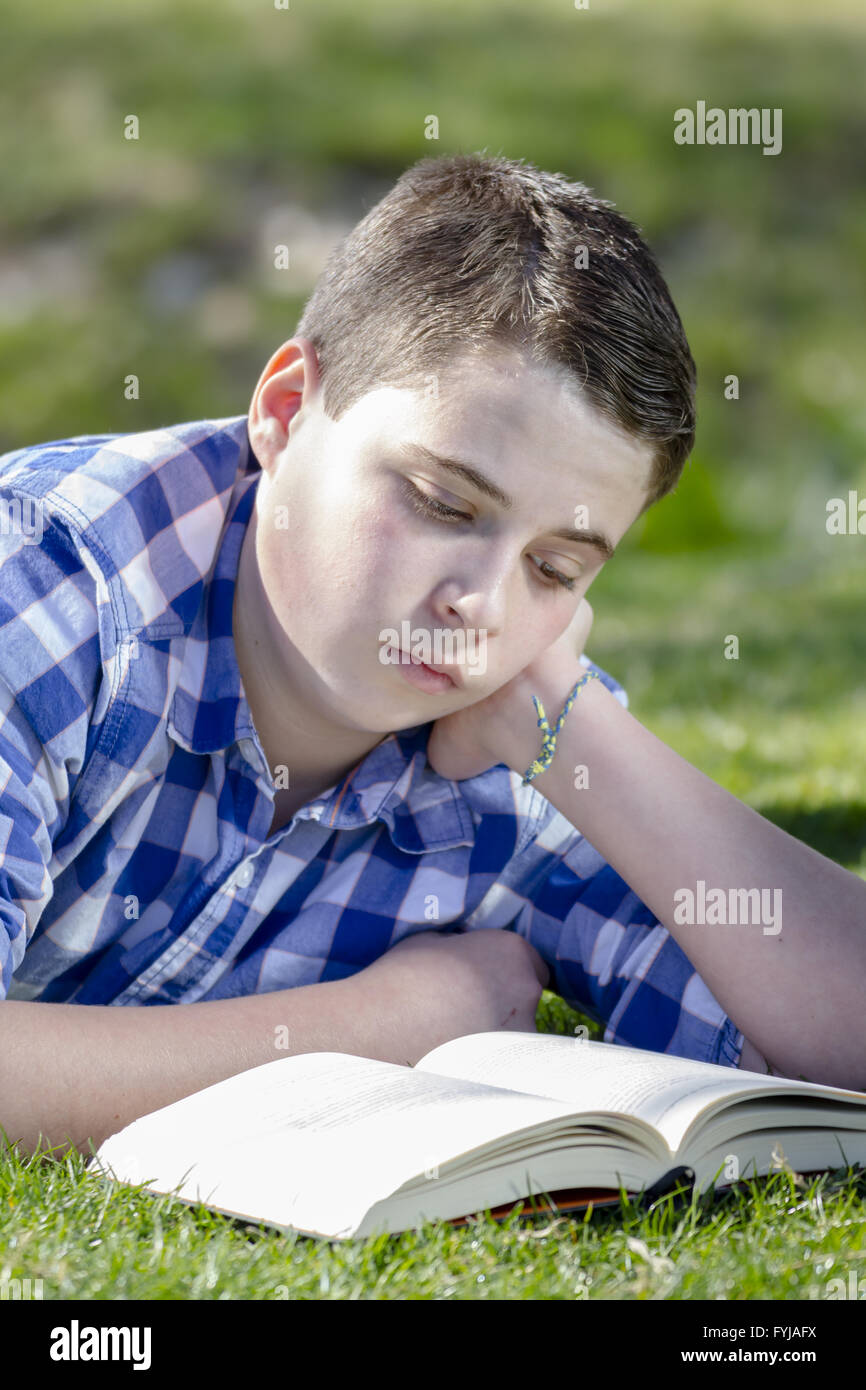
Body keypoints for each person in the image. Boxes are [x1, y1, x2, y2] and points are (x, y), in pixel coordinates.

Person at [1, 154, 862, 1162]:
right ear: (284, 412)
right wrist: (386, 1026)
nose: (479, 605)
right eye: (442, 505)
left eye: (554, 565)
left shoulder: (513, 737)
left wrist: (570, 726)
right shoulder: (50, 590)